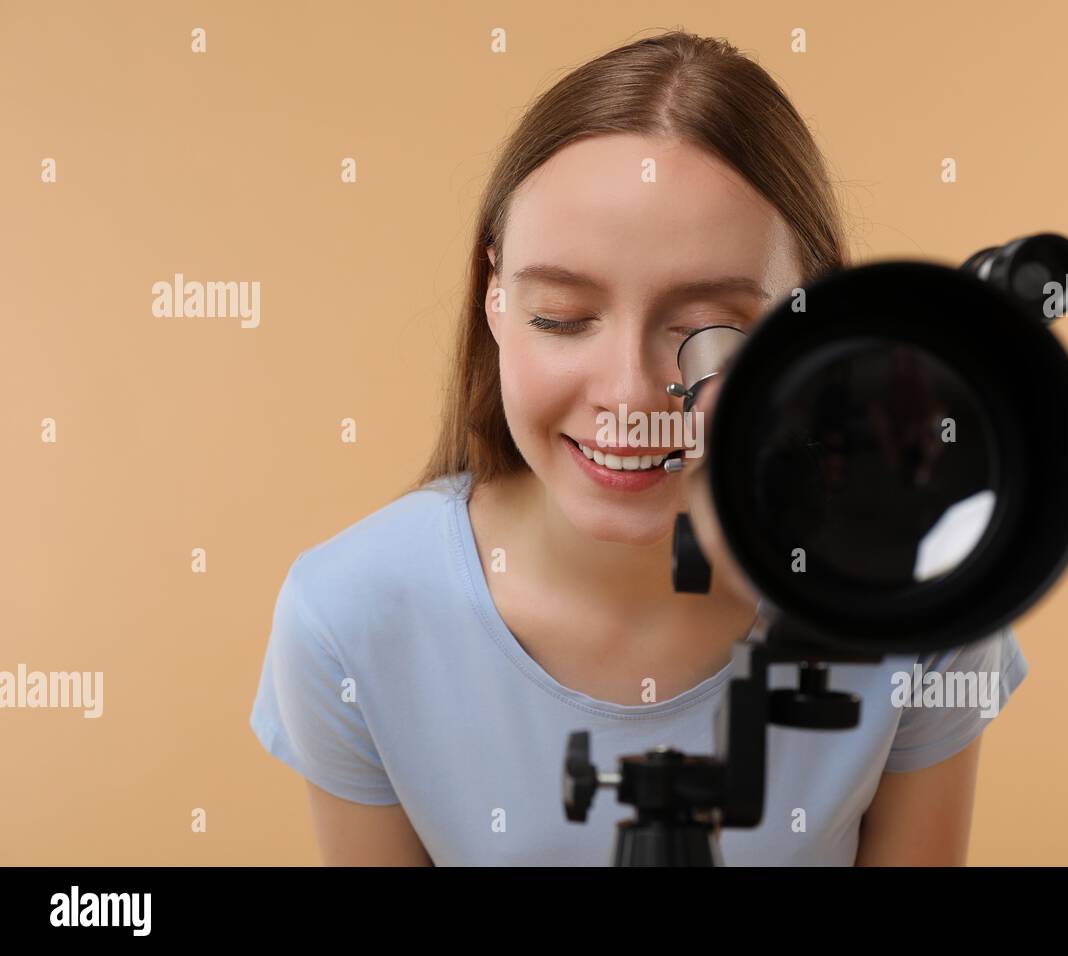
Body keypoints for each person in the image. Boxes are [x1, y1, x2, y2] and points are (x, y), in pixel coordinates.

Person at [249, 29, 1027, 866]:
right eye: (561, 316)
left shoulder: (922, 598)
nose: (628, 393)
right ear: (495, 300)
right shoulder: (351, 621)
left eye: (707, 330)